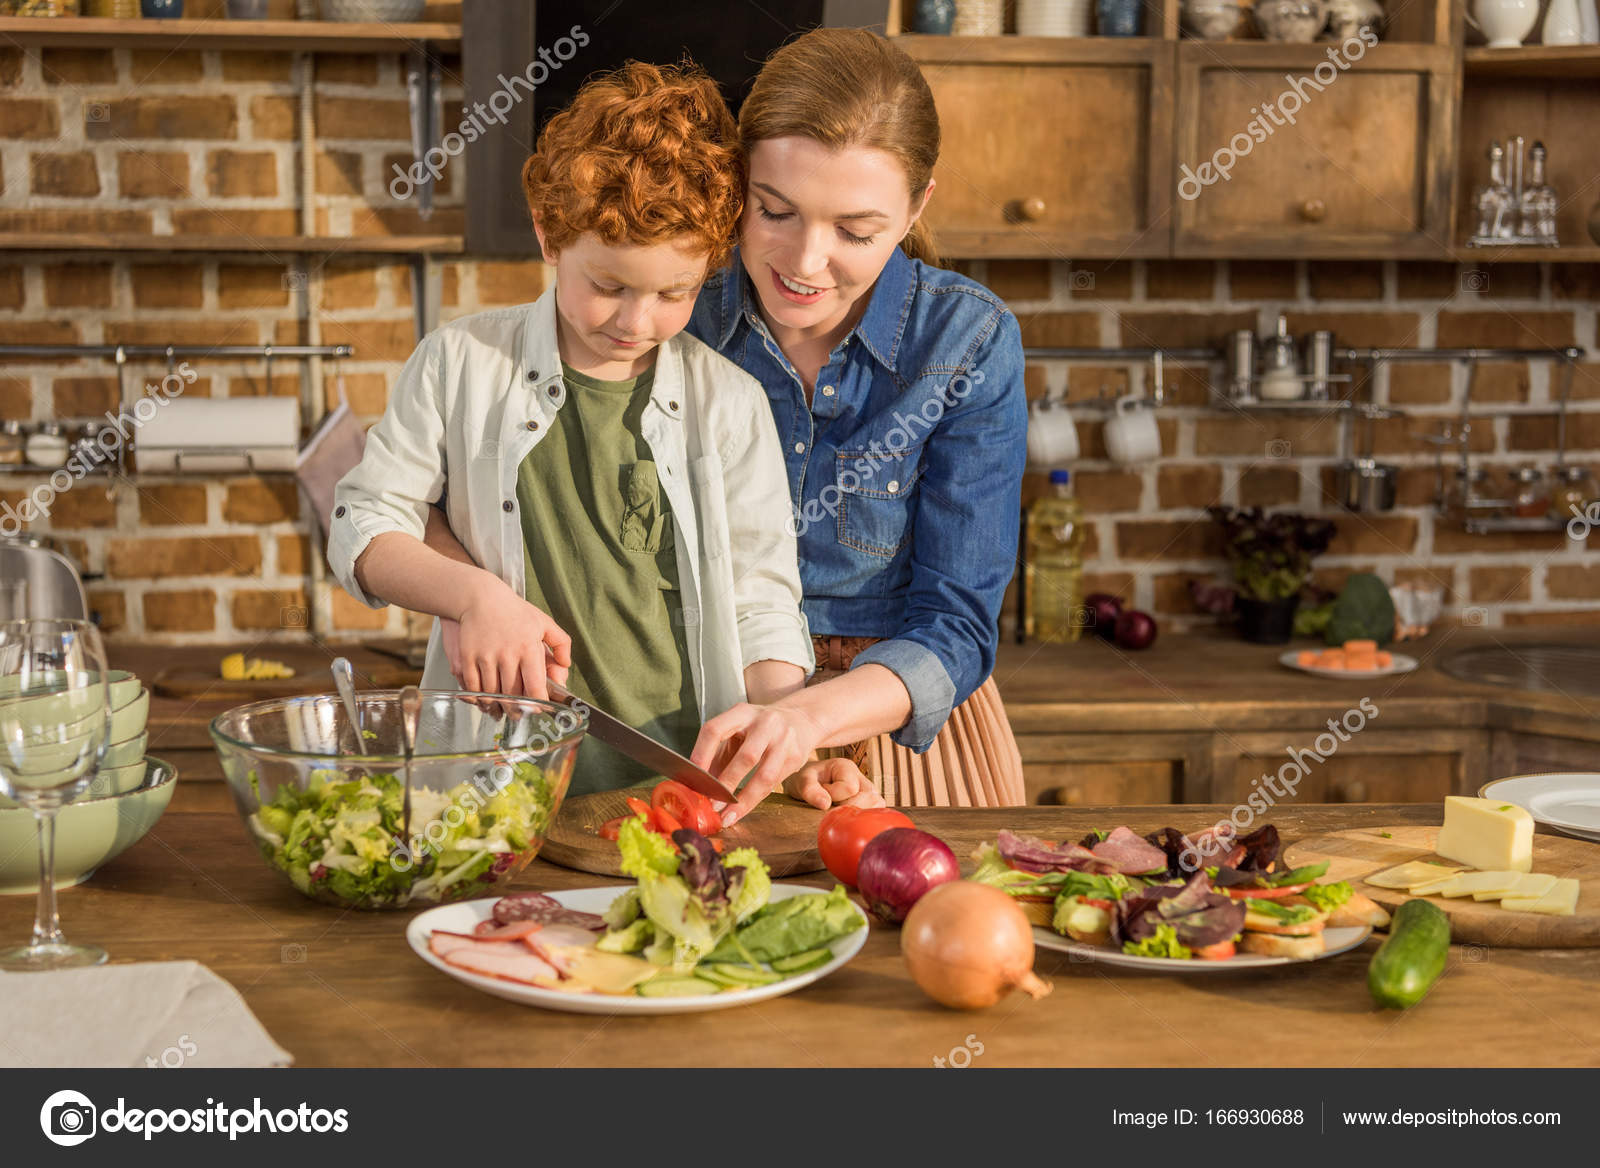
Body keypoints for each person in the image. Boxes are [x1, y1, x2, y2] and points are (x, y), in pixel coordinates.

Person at [327, 61, 873, 806]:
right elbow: (364, 522)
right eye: (609, 286)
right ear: (550, 235)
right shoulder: (461, 363)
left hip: (684, 786)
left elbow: (761, 605)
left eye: (673, 293)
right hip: (493, 787)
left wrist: (784, 740)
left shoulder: (731, 404)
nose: (635, 322)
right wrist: (474, 598)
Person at [680, 28, 1029, 823]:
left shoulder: (967, 340)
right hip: (707, 724)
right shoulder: (675, 313)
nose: (805, 262)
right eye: (774, 210)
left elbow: (957, 626)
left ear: (915, 210)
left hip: (901, 739)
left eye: (855, 232)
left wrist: (807, 716)